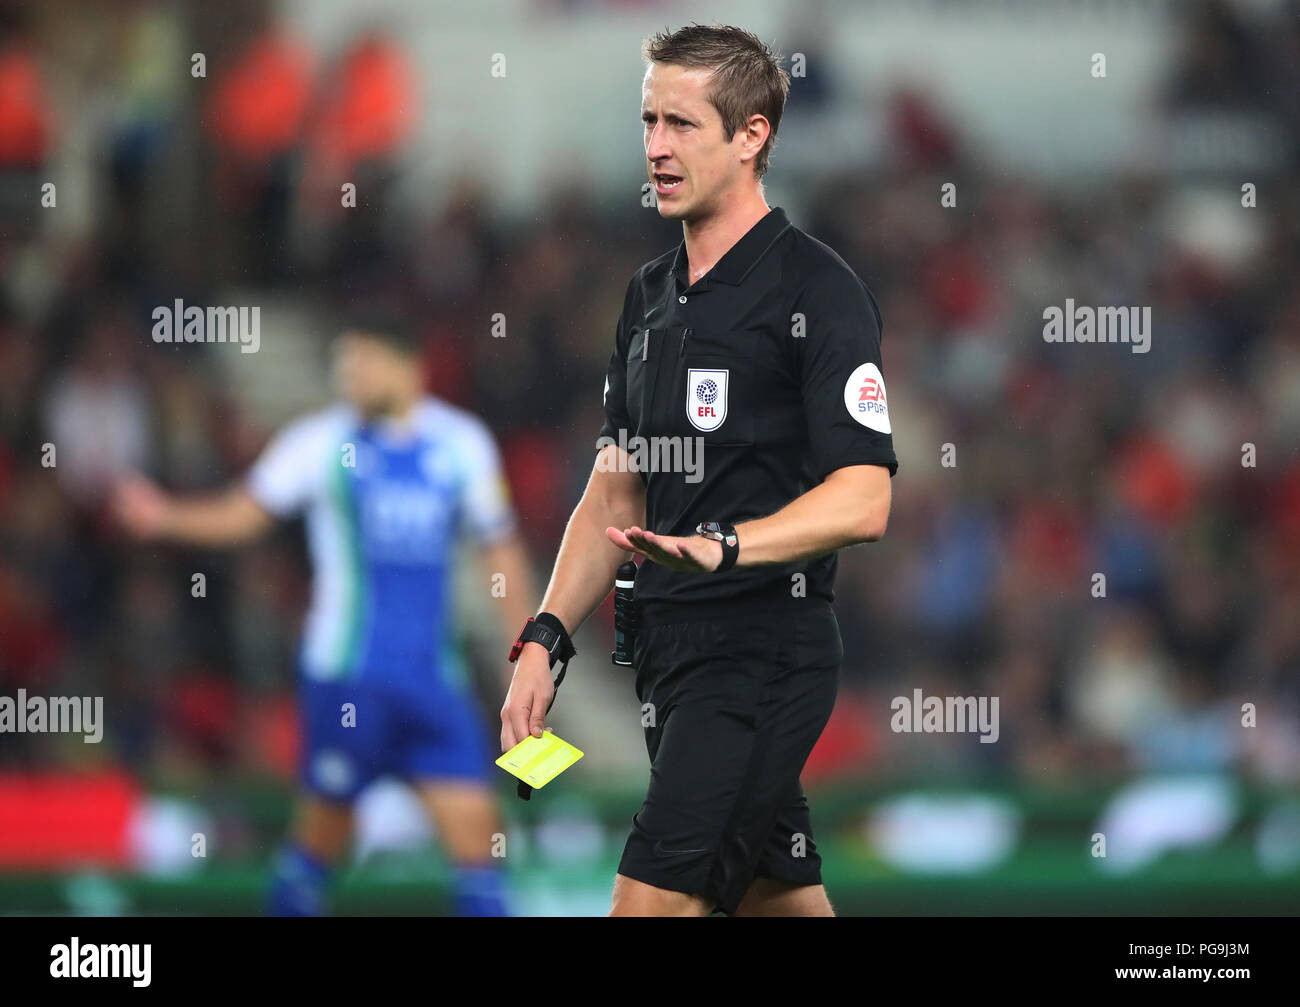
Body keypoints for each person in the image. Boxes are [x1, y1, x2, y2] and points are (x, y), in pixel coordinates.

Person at [500, 24, 898, 917]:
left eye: (681, 124)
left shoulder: (816, 291)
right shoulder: (647, 295)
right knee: (777, 897)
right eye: (648, 121)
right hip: (670, 661)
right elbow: (615, 488)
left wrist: (725, 546)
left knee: (649, 907)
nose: (655, 147)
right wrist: (546, 638)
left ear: (752, 135)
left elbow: (865, 496)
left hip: (760, 655)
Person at [114, 316, 536, 916]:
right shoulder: (320, 443)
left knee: (479, 856)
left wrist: (528, 651)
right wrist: (165, 517)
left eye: (364, 362)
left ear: (409, 366)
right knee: (319, 846)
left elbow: (502, 550)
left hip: (433, 682)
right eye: (345, 365)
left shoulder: (461, 443)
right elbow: (245, 513)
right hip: (347, 681)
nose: (351, 377)